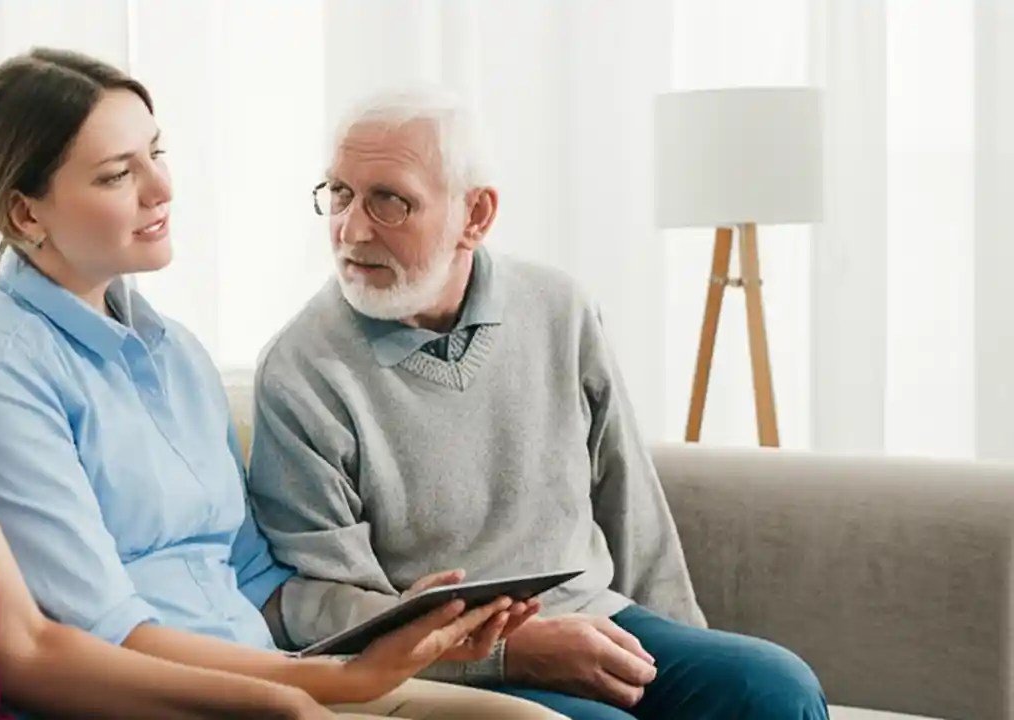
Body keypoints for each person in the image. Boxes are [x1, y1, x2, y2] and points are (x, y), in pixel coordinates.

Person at [0, 3, 492, 718]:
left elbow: (28, 644)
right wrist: (291, 694)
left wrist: (337, 669)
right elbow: (85, 636)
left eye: (153, 155)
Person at [0, 48, 564, 720]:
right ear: (27, 215)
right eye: (119, 175)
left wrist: (401, 624)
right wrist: (330, 683)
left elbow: (255, 580)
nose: (160, 188)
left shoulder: (175, 352)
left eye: (157, 152)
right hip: (159, 697)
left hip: (279, 676)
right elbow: (102, 635)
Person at [245, 87, 832, 720]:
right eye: (338, 194)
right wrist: (506, 650)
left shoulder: (560, 308)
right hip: (447, 664)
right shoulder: (301, 369)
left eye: (390, 200)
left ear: (476, 215)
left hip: (594, 614)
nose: (352, 229)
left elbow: (629, 502)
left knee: (774, 684)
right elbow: (319, 602)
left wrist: (682, 652)